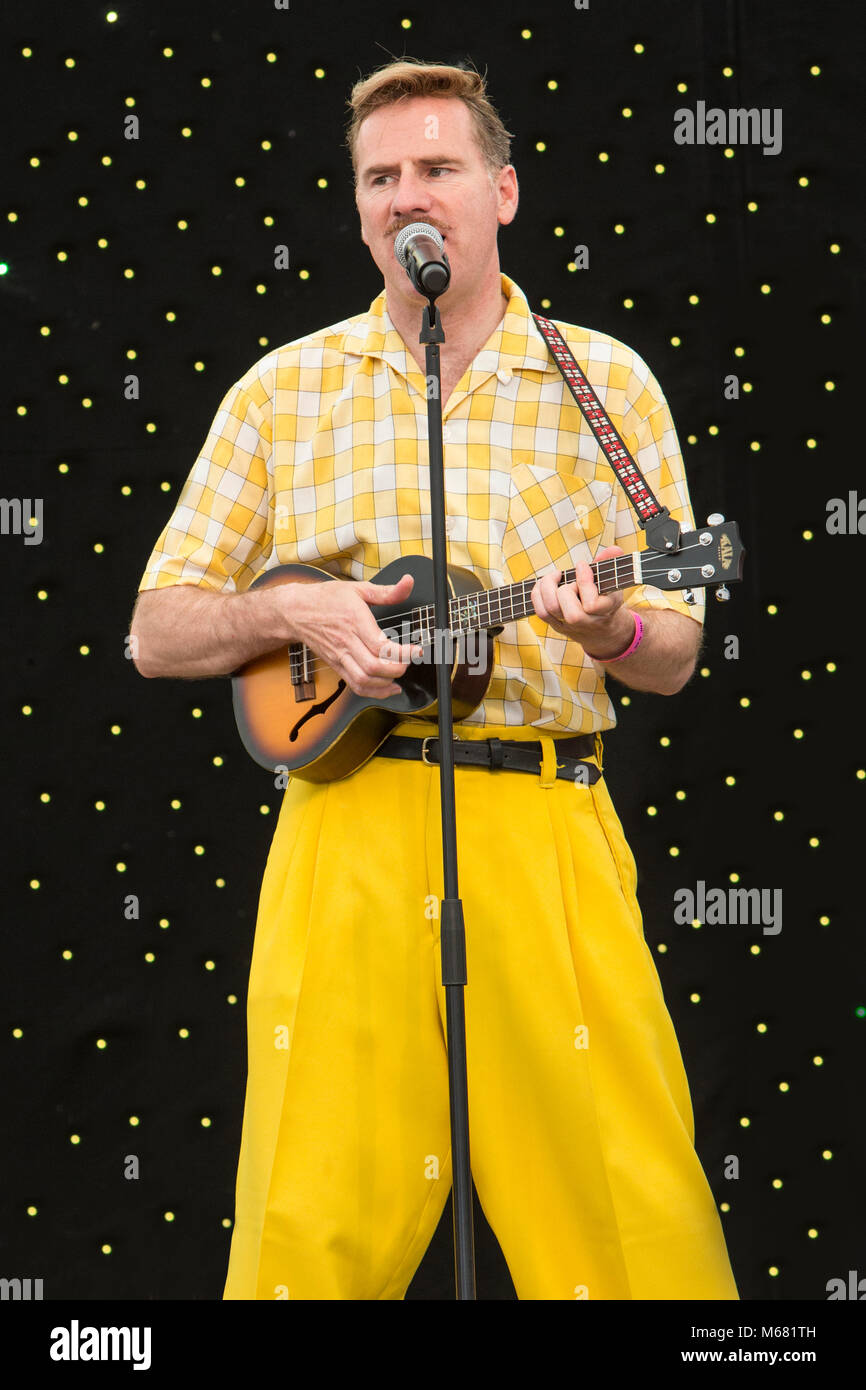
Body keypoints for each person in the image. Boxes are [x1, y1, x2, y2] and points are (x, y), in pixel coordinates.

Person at [130, 59, 739, 1301]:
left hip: (542, 820)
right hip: (344, 829)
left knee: (624, 1212)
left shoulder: (604, 383)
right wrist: (286, 606)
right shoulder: (281, 390)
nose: (408, 195)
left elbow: (673, 650)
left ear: (500, 193)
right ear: (358, 207)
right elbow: (155, 629)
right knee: (306, 1214)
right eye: (380, 176)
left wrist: (608, 628)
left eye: (436, 169)